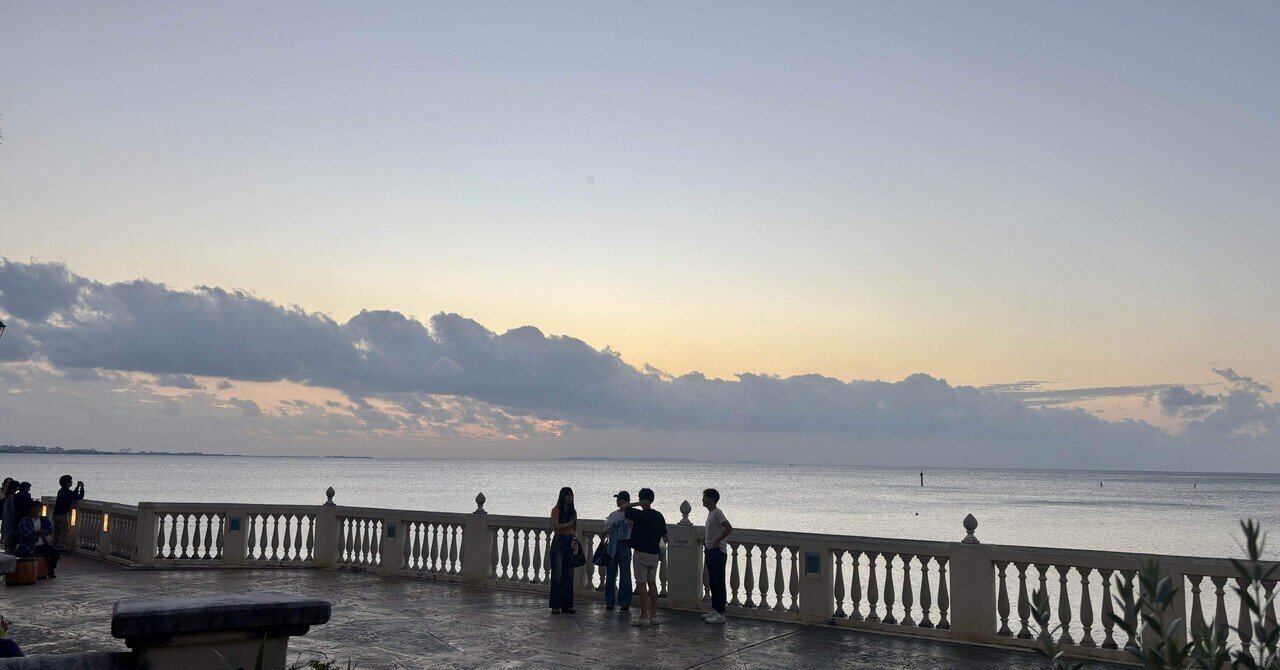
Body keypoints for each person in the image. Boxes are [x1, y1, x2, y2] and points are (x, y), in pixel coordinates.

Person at [624, 488, 667, 627]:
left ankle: (643, 616)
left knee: (641, 584)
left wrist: (638, 503)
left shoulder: (638, 514)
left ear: (642, 499)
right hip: (654, 554)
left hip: (641, 553)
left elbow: (624, 507)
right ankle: (654, 615)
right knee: (652, 583)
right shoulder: (659, 516)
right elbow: (664, 537)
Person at [701, 488, 733, 624]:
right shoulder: (711, 513)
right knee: (713, 581)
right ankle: (715, 609)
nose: (703, 499)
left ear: (712, 499)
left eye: (705, 497)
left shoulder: (718, 513)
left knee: (719, 581)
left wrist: (717, 541)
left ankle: (721, 612)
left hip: (718, 552)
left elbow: (729, 528)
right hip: (710, 550)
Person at [548, 486, 578, 614]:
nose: (570, 497)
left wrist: (575, 538)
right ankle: (556, 605)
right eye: (567, 495)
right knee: (557, 574)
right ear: (562, 496)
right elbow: (555, 527)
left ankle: (568, 605)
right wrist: (569, 524)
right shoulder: (556, 510)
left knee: (569, 575)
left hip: (569, 541)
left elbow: (574, 528)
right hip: (559, 542)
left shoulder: (573, 511)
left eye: (571, 495)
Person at [603, 491, 633, 611]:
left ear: (626, 501)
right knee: (610, 573)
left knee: (625, 573)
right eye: (617, 499)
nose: (618, 501)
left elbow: (634, 526)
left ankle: (625, 601)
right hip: (613, 543)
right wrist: (612, 527)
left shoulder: (631, 514)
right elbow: (605, 530)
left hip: (625, 544)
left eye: (620, 499)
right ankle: (609, 600)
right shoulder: (612, 515)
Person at [17, 503, 59, 578]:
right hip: (28, 545)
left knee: (55, 553)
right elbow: (25, 532)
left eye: (39, 508)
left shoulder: (44, 519)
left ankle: (50, 569)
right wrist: (38, 532)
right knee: (22, 553)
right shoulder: (24, 520)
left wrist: (41, 532)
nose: (37, 510)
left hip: (42, 545)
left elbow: (50, 529)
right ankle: (30, 572)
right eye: (35, 508)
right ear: (31, 509)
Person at [52, 475, 85, 551]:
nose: (71, 483)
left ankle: (55, 545)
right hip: (62, 515)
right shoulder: (67, 492)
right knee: (64, 531)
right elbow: (79, 497)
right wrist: (82, 487)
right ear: (68, 483)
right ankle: (61, 546)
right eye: (71, 481)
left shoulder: (61, 491)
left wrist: (77, 488)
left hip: (55, 514)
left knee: (56, 531)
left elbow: (73, 494)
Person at [1, 478, 14, 551]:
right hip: (2, 509)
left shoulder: (11, 494)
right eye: (7, 483)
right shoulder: (2, 491)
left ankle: (5, 540)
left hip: (5, 511)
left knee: (5, 525)